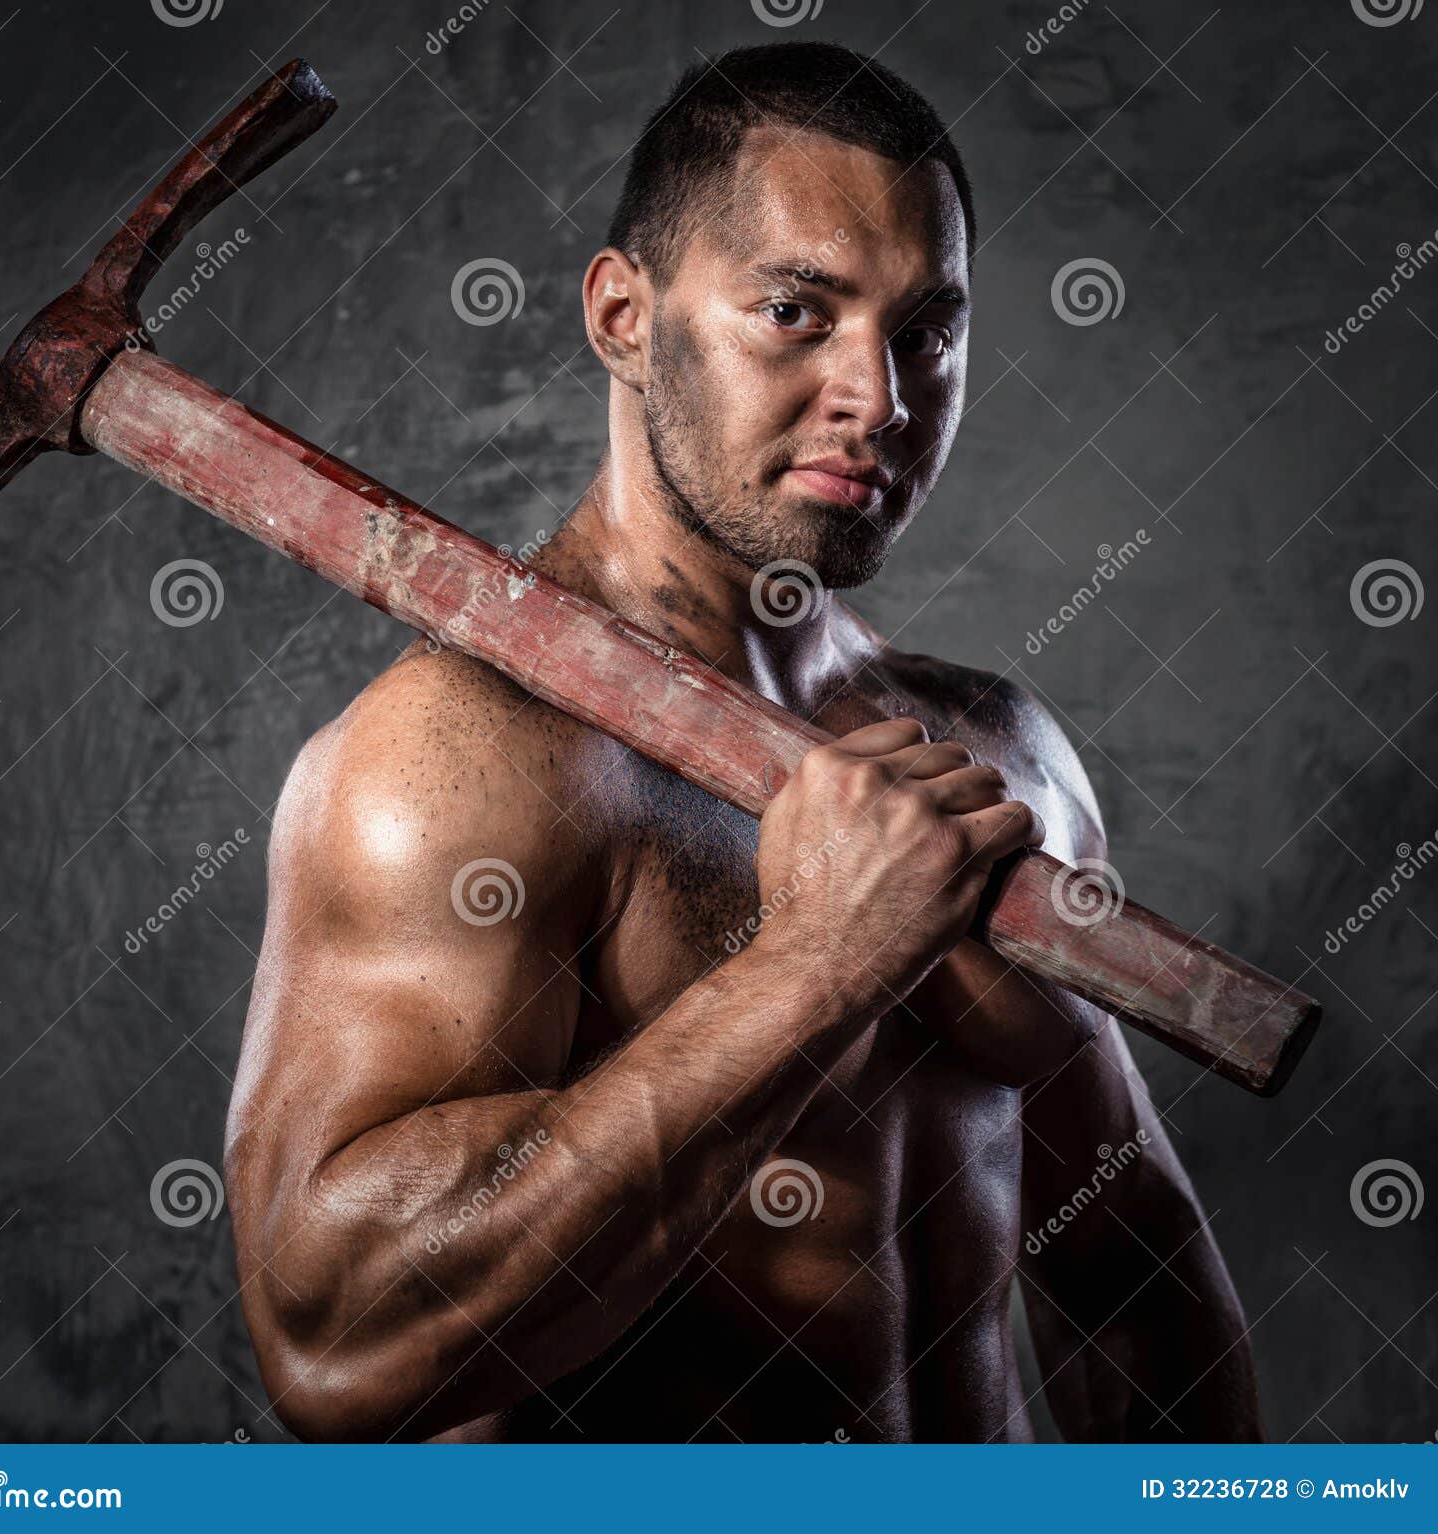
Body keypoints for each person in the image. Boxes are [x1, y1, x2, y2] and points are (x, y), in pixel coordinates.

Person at [224, 41, 1262, 1443]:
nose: (880, 396)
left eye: (927, 332)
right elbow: (333, 1336)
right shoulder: (460, 764)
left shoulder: (999, 749)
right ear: (622, 314)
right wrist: (816, 966)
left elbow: (1130, 1275)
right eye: (795, 311)